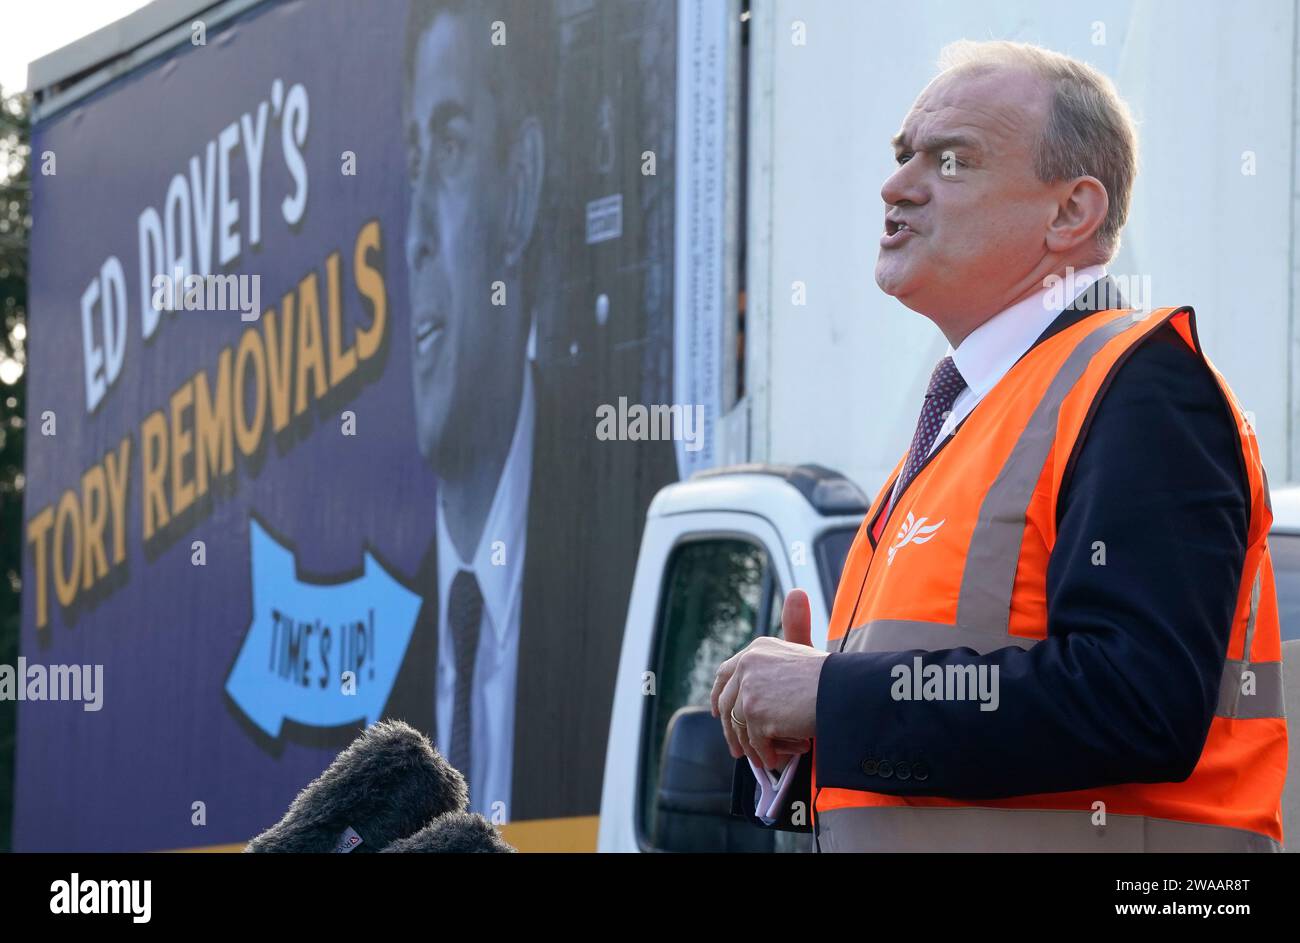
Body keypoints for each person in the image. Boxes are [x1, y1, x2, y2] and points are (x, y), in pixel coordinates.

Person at [715, 39, 1287, 852]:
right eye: (902, 154)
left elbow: (1138, 699)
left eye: (951, 160)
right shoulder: (974, 414)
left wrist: (836, 695)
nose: (896, 184)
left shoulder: (1140, 385)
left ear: (1070, 213)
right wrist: (801, 732)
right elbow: (940, 740)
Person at [384, 0, 677, 827]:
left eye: (450, 147)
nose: (414, 237)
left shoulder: (636, 535)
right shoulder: (385, 693)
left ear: (519, 190)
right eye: (414, 163)